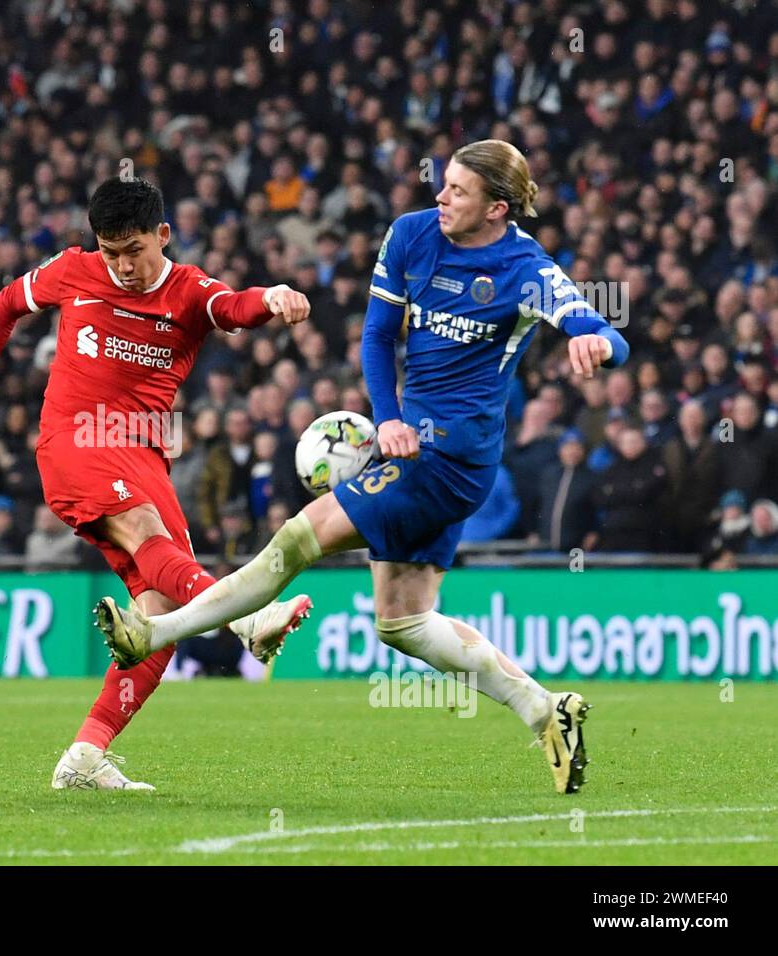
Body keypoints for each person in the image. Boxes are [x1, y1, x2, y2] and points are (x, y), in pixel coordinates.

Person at [95, 141, 631, 795]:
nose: (440, 196)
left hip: (454, 459)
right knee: (403, 621)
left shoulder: (525, 266)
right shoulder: (411, 234)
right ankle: (546, 712)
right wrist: (391, 417)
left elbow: (601, 328)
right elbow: (378, 335)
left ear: (497, 208)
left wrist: (593, 338)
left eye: (458, 191)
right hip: (407, 445)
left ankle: (156, 632)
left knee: (298, 535)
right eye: (444, 184)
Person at [0, 177, 312, 791]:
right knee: (147, 535)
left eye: (134, 250)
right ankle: (247, 621)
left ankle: (84, 757)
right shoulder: (74, 271)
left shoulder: (187, 290)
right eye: (111, 253)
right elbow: (4, 304)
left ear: (163, 235)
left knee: (160, 616)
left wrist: (276, 296)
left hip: (143, 455)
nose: (124, 267)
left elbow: (234, 307)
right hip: (75, 439)